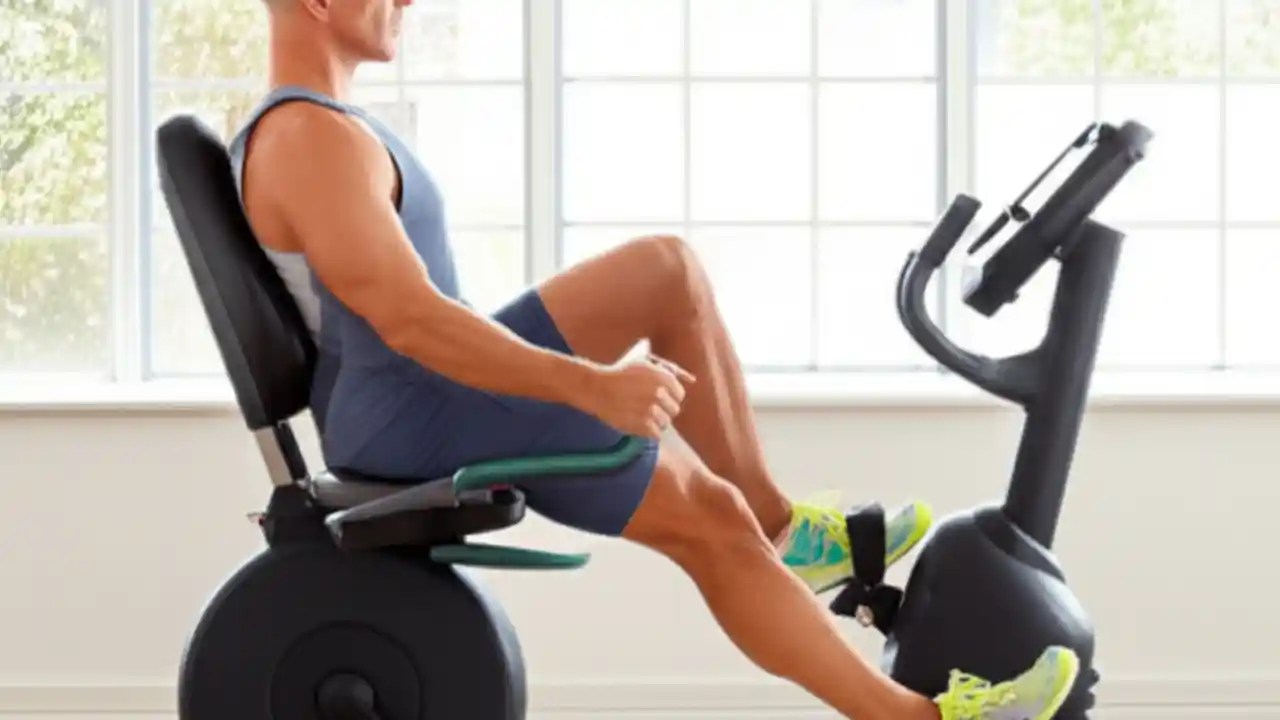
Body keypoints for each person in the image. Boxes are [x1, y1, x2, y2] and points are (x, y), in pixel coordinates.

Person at [229, 1, 1081, 718]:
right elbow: (412, 321)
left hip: (419, 387)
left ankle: (783, 530)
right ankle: (919, 719)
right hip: (411, 412)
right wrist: (592, 387)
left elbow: (416, 321)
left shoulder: (330, 125)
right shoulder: (310, 139)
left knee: (664, 273)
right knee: (708, 519)